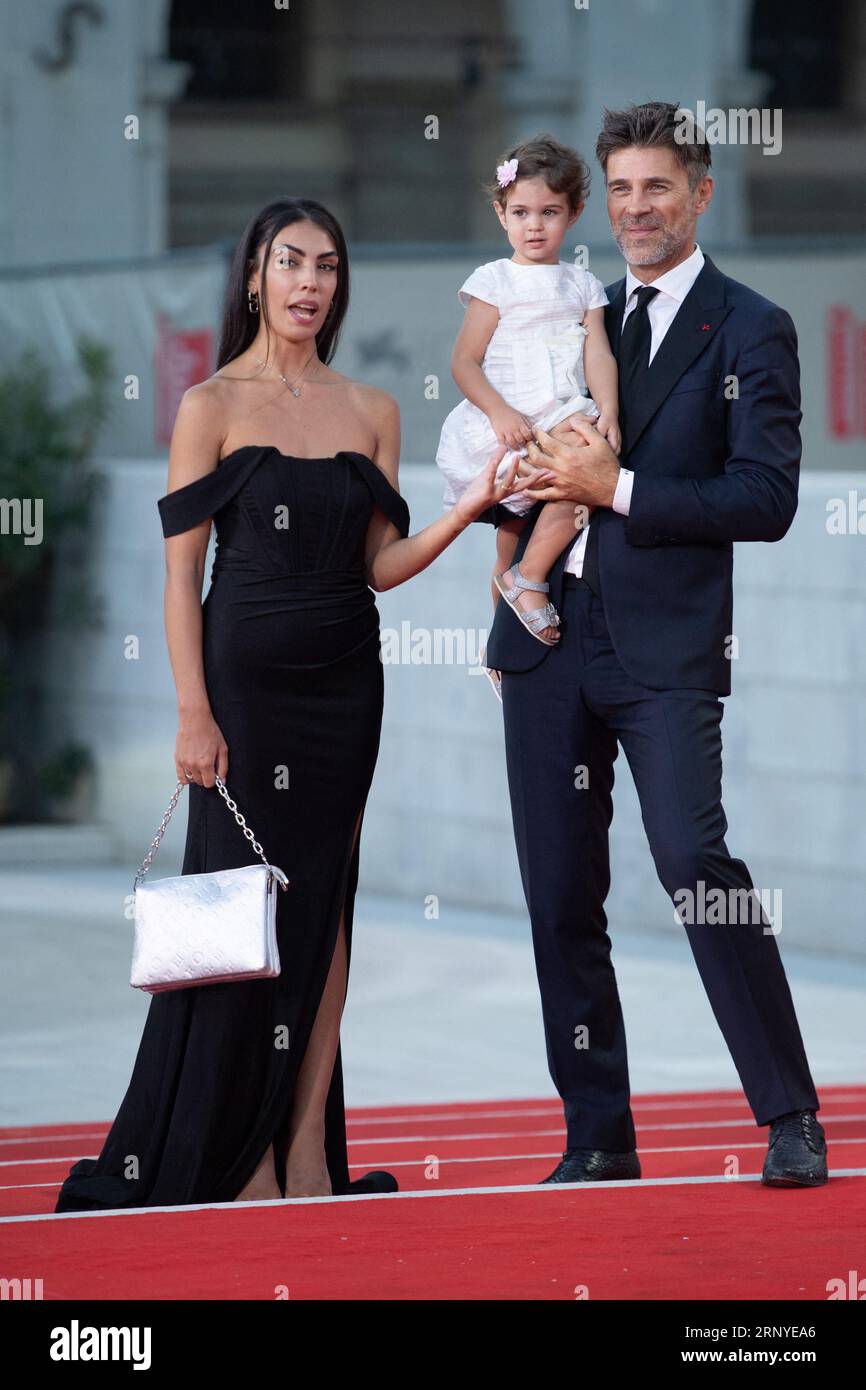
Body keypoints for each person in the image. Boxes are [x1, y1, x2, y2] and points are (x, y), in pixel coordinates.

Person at [54, 196, 536, 1212]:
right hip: (243, 691)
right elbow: (178, 580)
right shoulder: (209, 406)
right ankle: (240, 1158)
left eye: (324, 265)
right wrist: (193, 710)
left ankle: (307, 1152)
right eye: (290, 262)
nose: (308, 282)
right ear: (253, 278)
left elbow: (380, 566)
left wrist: (465, 506)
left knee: (325, 915)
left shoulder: (371, 410)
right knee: (242, 914)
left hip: (344, 690)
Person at [482, 103, 827, 1189]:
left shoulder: (751, 325)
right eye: (620, 188)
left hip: (663, 647)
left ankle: (788, 1114)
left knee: (693, 862)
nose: (635, 208)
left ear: (700, 193)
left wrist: (613, 487)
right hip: (543, 637)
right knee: (555, 892)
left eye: (656, 188)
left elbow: (764, 497)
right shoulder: (571, 309)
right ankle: (596, 1134)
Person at [436, 133, 620, 651]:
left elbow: (598, 354)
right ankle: (505, 646)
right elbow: (464, 361)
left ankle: (529, 580)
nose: (533, 225)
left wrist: (608, 408)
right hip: (508, 422)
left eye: (549, 212)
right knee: (509, 533)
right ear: (501, 213)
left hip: (562, 415)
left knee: (579, 477)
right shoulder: (494, 282)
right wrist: (498, 412)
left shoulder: (583, 286)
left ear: (575, 213)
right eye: (520, 212)